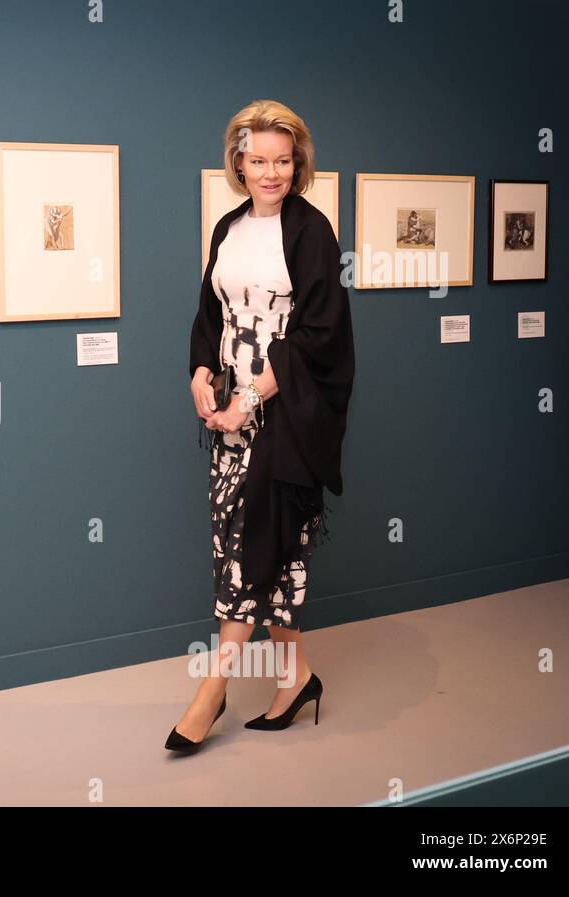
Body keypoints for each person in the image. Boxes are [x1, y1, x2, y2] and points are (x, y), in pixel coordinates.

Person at [166, 99, 355, 753]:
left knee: (261, 545)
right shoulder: (227, 228)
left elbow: (319, 333)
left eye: (283, 160)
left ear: (297, 162)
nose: (271, 173)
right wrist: (199, 373)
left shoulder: (312, 231)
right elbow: (208, 315)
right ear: (238, 162)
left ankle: (212, 688)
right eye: (258, 160)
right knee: (247, 547)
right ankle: (295, 675)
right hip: (228, 417)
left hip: (285, 418)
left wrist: (252, 396)